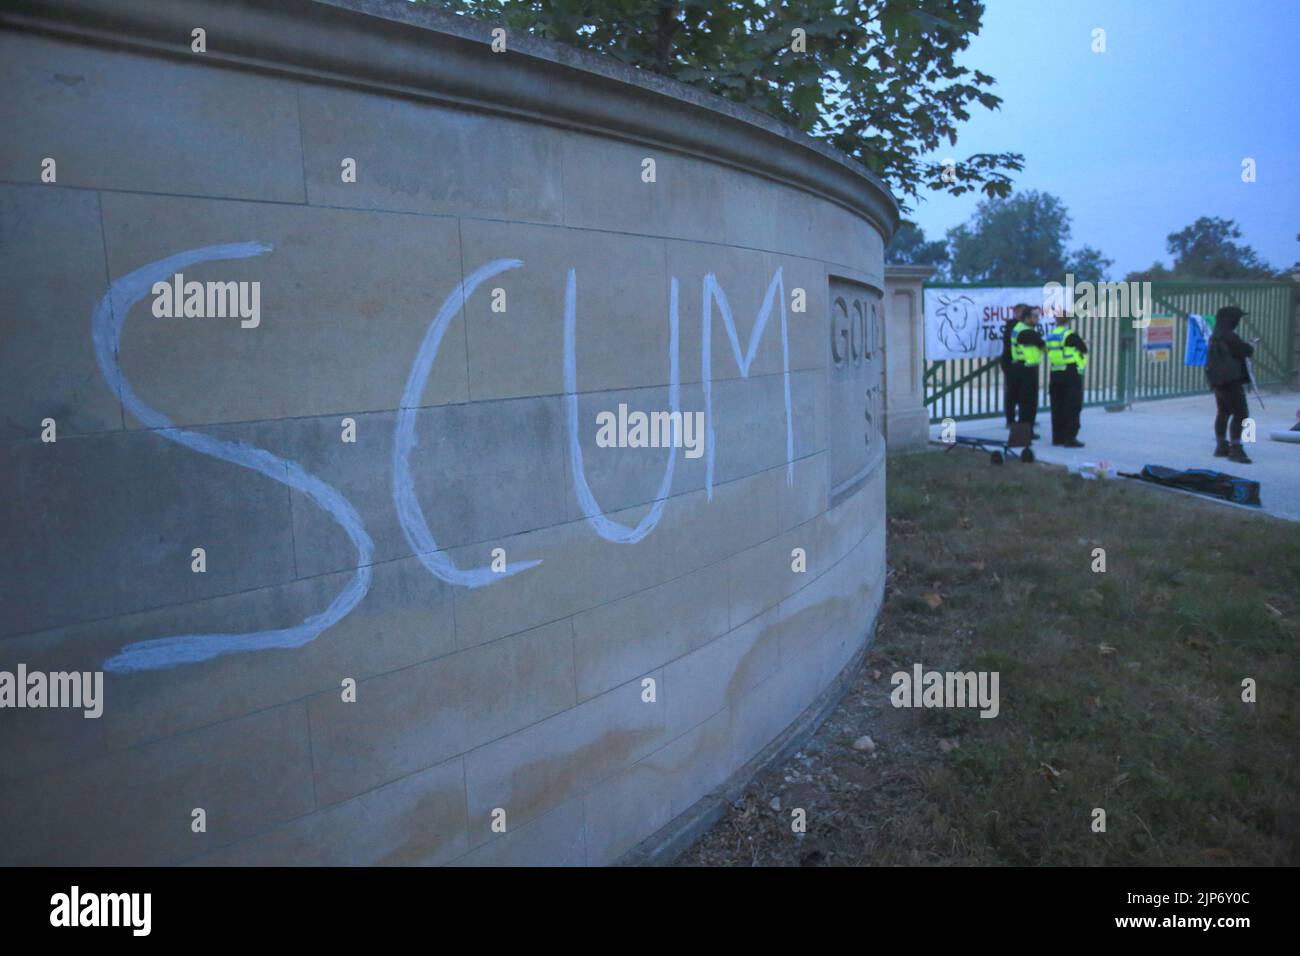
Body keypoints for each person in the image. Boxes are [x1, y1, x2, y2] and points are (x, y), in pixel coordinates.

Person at [1205, 305, 1254, 464]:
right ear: (1231, 320)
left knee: (1223, 412)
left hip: (1217, 381)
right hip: (1231, 380)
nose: (1238, 322)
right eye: (1237, 319)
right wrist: (1251, 346)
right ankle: (1236, 449)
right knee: (1241, 414)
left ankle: (1221, 446)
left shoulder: (1215, 336)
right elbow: (1244, 351)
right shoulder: (1230, 336)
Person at [1044, 310, 1088, 447]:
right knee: (1072, 406)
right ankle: (1070, 438)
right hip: (1070, 373)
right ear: (1069, 320)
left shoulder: (1051, 336)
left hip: (1055, 373)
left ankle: (1058, 437)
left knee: (1057, 406)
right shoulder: (1070, 335)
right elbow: (1083, 349)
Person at [1003, 304, 1045, 439]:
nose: (1038, 319)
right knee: (1028, 404)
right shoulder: (1027, 332)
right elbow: (1044, 347)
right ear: (1027, 318)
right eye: (1035, 316)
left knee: (1024, 402)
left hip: (1020, 368)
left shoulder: (1019, 328)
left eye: (1038, 316)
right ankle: (1024, 434)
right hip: (1026, 370)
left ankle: (1025, 432)